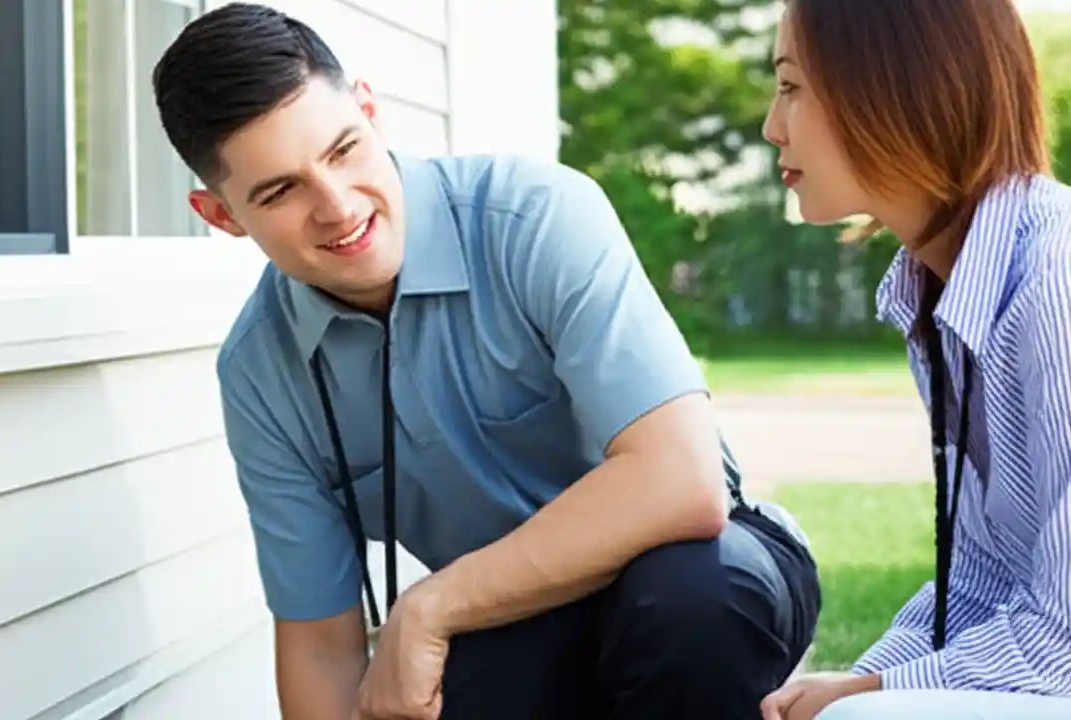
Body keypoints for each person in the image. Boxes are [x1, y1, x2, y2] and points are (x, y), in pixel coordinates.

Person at [151, 3, 820, 719]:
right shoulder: (261, 371)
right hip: (514, 619)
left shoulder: (536, 215)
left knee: (688, 603)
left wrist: (429, 607)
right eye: (282, 191)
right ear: (221, 215)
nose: (337, 207)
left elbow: (682, 482)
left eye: (343, 151)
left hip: (700, 561)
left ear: (370, 112)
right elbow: (322, 647)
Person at [755, 1, 1071, 719]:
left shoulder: (1068, 286)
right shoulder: (948, 285)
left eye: (790, 87)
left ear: (892, 89)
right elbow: (978, 579)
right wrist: (860, 681)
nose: (772, 126)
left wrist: (872, 696)